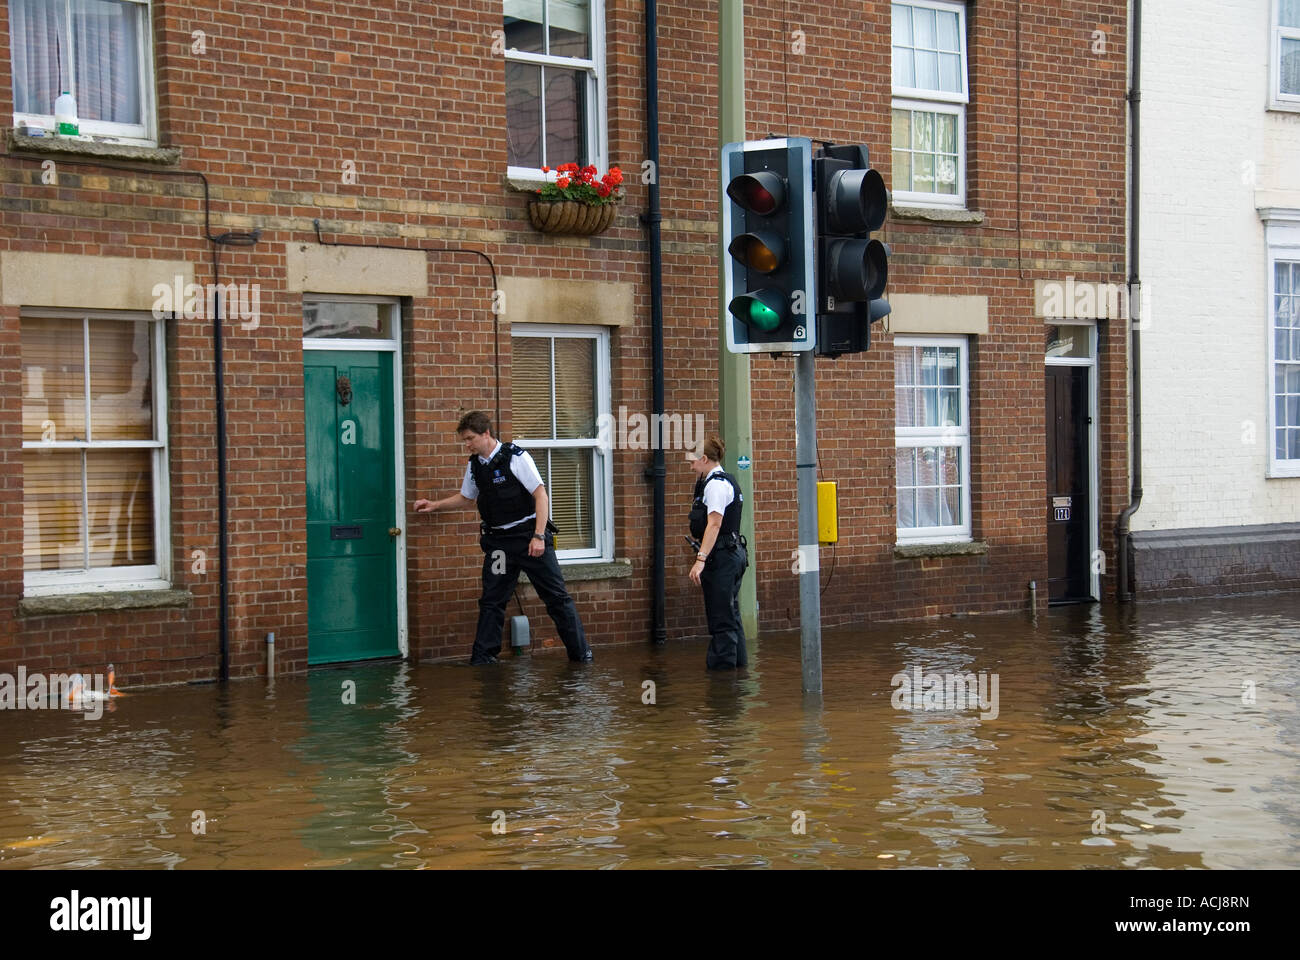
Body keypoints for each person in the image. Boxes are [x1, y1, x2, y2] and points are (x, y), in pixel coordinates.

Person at [413, 411, 592, 665]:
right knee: (492, 600)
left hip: (529, 538)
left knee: (556, 598)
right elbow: (466, 497)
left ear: (486, 434)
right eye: (464, 440)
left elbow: (541, 496)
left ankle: (581, 655)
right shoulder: (475, 465)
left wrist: (539, 536)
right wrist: (434, 505)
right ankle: (483, 658)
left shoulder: (516, 457)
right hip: (499, 545)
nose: (467, 444)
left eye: (470, 439)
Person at [687, 435, 749, 670]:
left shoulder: (715, 485)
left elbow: (714, 525)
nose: (691, 466)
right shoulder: (726, 481)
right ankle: (739, 673)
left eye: (692, 462)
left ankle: (721, 686)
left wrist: (700, 560)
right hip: (733, 554)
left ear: (704, 459)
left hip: (723, 557)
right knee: (731, 615)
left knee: (721, 619)